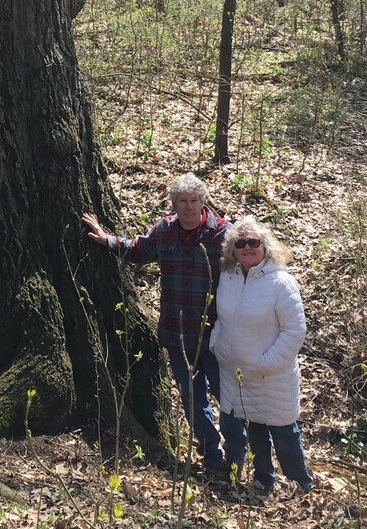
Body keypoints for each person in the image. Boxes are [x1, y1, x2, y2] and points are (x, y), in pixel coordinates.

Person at [83, 173, 229, 473]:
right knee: (193, 401)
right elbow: (138, 250)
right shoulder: (165, 230)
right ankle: (211, 457)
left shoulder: (222, 234)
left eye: (194, 200)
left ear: (203, 202)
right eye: (182, 201)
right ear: (174, 204)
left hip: (216, 337)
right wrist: (106, 239)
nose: (189, 207)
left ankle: (237, 456)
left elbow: (249, 262)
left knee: (229, 400)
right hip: (177, 336)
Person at [210, 216, 313, 496]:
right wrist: (217, 344)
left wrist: (265, 364)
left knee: (283, 432)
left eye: (253, 242)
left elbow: (295, 331)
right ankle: (263, 479)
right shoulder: (228, 278)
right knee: (255, 430)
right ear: (232, 250)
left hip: (272, 376)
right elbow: (222, 317)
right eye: (240, 243)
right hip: (237, 374)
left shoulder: (281, 283)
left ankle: (301, 485)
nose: (247, 247)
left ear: (265, 246)